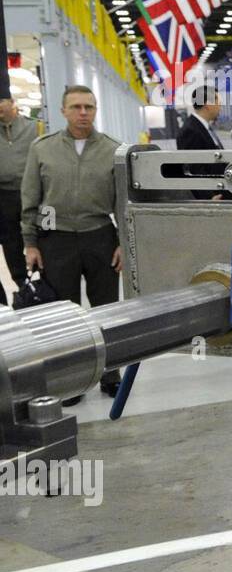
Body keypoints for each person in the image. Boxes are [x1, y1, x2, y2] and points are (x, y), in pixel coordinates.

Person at [21, 85, 124, 402]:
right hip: (57, 239)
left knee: (105, 310)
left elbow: (123, 202)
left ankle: (111, 374)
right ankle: (72, 381)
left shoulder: (113, 150)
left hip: (100, 237)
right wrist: (32, 243)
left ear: (95, 111)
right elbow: (31, 199)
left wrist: (122, 242)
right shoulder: (42, 149)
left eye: (89, 107)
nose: (83, 113)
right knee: (64, 317)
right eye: (76, 107)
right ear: (63, 111)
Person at [0, 95, 38, 302]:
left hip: (36, 194)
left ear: (13, 103)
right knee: (11, 240)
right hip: (5, 196)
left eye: (1, 102)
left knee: (46, 232)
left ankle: (47, 274)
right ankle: (22, 282)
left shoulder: (34, 128)